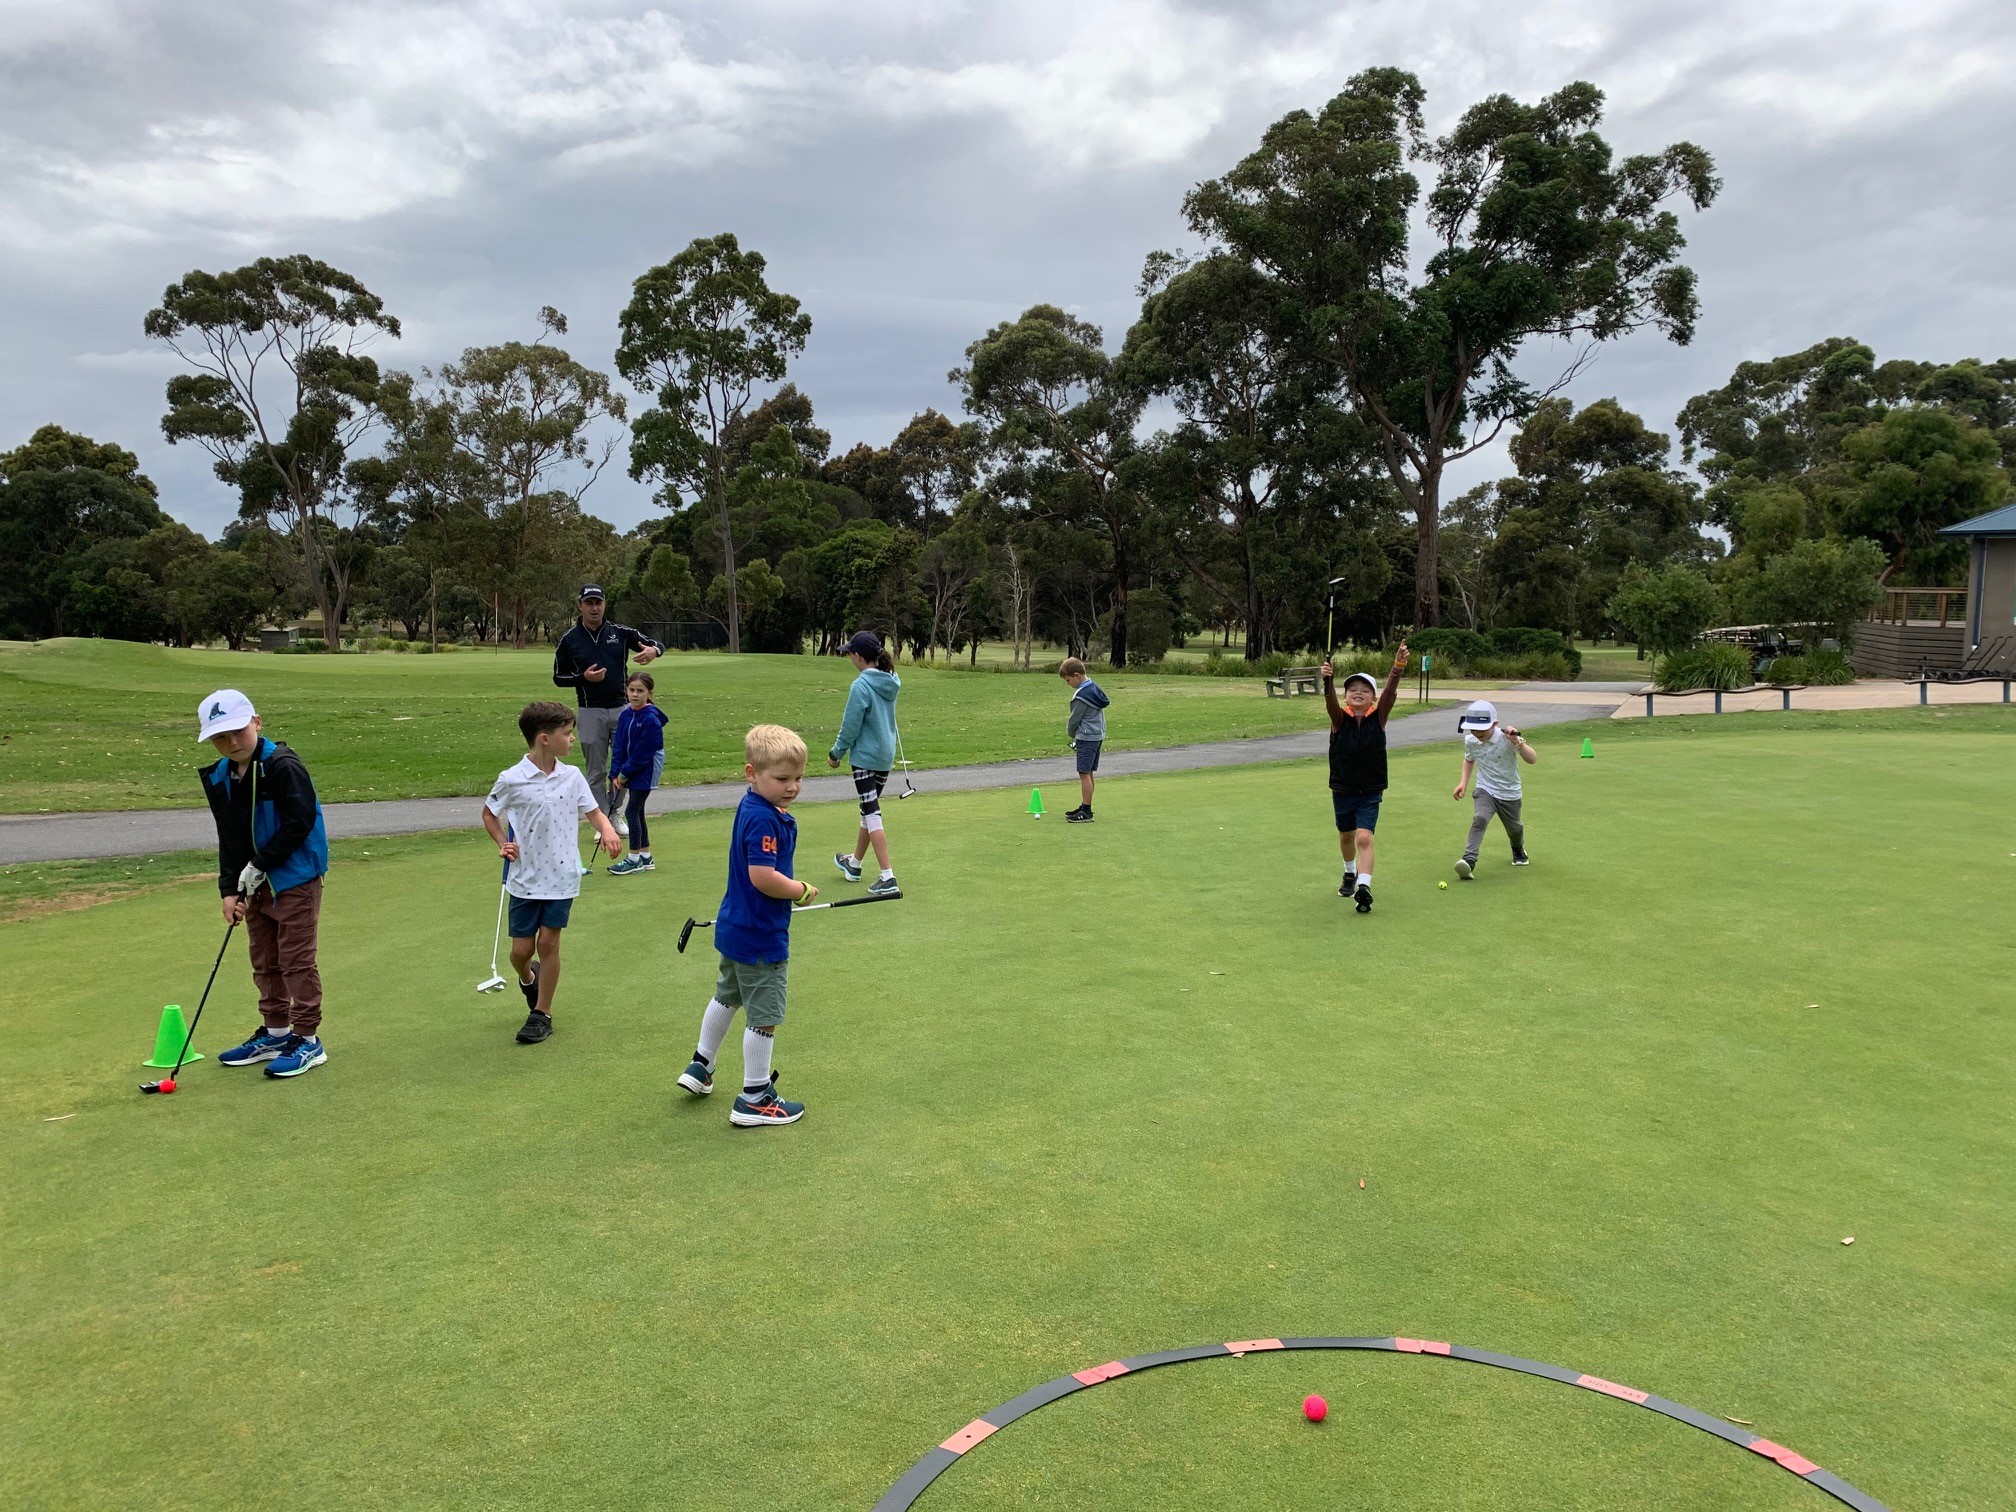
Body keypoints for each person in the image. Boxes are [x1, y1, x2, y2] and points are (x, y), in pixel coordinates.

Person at [678, 724, 817, 1127]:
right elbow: (763, 877)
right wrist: (800, 889)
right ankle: (755, 1096)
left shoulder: (753, 804)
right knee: (764, 1014)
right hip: (760, 933)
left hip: (735, 927)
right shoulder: (764, 821)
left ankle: (701, 1065)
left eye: (798, 778)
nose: (792, 787)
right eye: (782, 779)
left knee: (727, 996)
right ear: (752, 774)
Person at [197, 688, 333, 1079]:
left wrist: (260, 863)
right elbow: (230, 836)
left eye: (238, 730)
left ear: (256, 722)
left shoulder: (282, 765)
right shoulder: (222, 775)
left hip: (295, 878)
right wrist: (229, 889)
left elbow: (299, 823)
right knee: (265, 960)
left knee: (296, 960)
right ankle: (276, 1032)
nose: (231, 742)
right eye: (220, 736)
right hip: (254, 884)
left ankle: (307, 1039)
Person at [482, 701, 622, 1044]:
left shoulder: (571, 776)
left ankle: (541, 1013)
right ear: (544, 739)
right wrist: (503, 842)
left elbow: (593, 812)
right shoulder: (511, 779)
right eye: (567, 733)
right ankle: (528, 978)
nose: (572, 739)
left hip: (562, 875)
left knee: (549, 942)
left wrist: (607, 830)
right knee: (520, 952)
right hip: (524, 877)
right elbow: (489, 814)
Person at [551, 584, 662, 840]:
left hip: (623, 709)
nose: (594, 607)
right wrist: (583, 678)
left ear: (604, 605)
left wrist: (653, 651)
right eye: (588, 603)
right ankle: (601, 823)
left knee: (623, 766)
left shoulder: (620, 633)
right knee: (595, 770)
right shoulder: (569, 639)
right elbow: (558, 677)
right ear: (580, 605)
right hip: (590, 710)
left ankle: (614, 813)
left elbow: (655, 644)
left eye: (598, 602)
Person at [1320, 641, 1410, 913]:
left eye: (1365, 690)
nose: (1358, 693)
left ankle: (1364, 885)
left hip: (1370, 790)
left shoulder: (1378, 718)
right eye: (1353, 690)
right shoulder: (1339, 719)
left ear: (1373, 698)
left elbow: (1391, 693)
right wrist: (1328, 681)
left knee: (1364, 838)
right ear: (1346, 696)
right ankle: (1350, 872)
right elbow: (1329, 700)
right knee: (1347, 836)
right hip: (1343, 789)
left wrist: (1398, 667)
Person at [827, 629, 902, 896]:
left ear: (859, 657)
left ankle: (887, 876)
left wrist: (836, 753)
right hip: (884, 756)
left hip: (865, 758)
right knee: (867, 811)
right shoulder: (891, 679)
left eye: (850, 654)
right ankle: (854, 864)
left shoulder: (860, 685)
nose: (849, 658)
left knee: (872, 813)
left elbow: (850, 727)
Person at [1451, 699, 1537, 879]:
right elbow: (1469, 759)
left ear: (1495, 724)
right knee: (1480, 818)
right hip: (1485, 789)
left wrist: (1517, 742)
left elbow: (1532, 759)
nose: (1476, 732)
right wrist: (1463, 783)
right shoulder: (1471, 741)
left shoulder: (1508, 738)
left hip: (1510, 792)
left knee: (1515, 828)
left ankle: (1518, 849)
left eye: (1480, 729)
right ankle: (1469, 861)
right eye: (1472, 729)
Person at [607, 672, 668, 876]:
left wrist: (625, 773)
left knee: (631, 811)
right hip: (629, 768)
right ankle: (645, 855)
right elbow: (619, 747)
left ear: (649, 693)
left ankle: (634, 858)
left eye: (640, 691)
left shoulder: (651, 719)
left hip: (646, 769)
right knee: (638, 811)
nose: (634, 694)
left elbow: (644, 753)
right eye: (631, 690)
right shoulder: (626, 714)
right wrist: (615, 773)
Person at [1059, 656, 1110, 823]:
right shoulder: (1094, 688)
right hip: (1097, 735)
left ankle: (1086, 811)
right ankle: (1085, 805)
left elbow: (1075, 719)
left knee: (1083, 772)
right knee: (1088, 772)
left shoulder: (1081, 695)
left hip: (1086, 737)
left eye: (1068, 680)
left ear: (1076, 675)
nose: (1068, 684)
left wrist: (1070, 733)